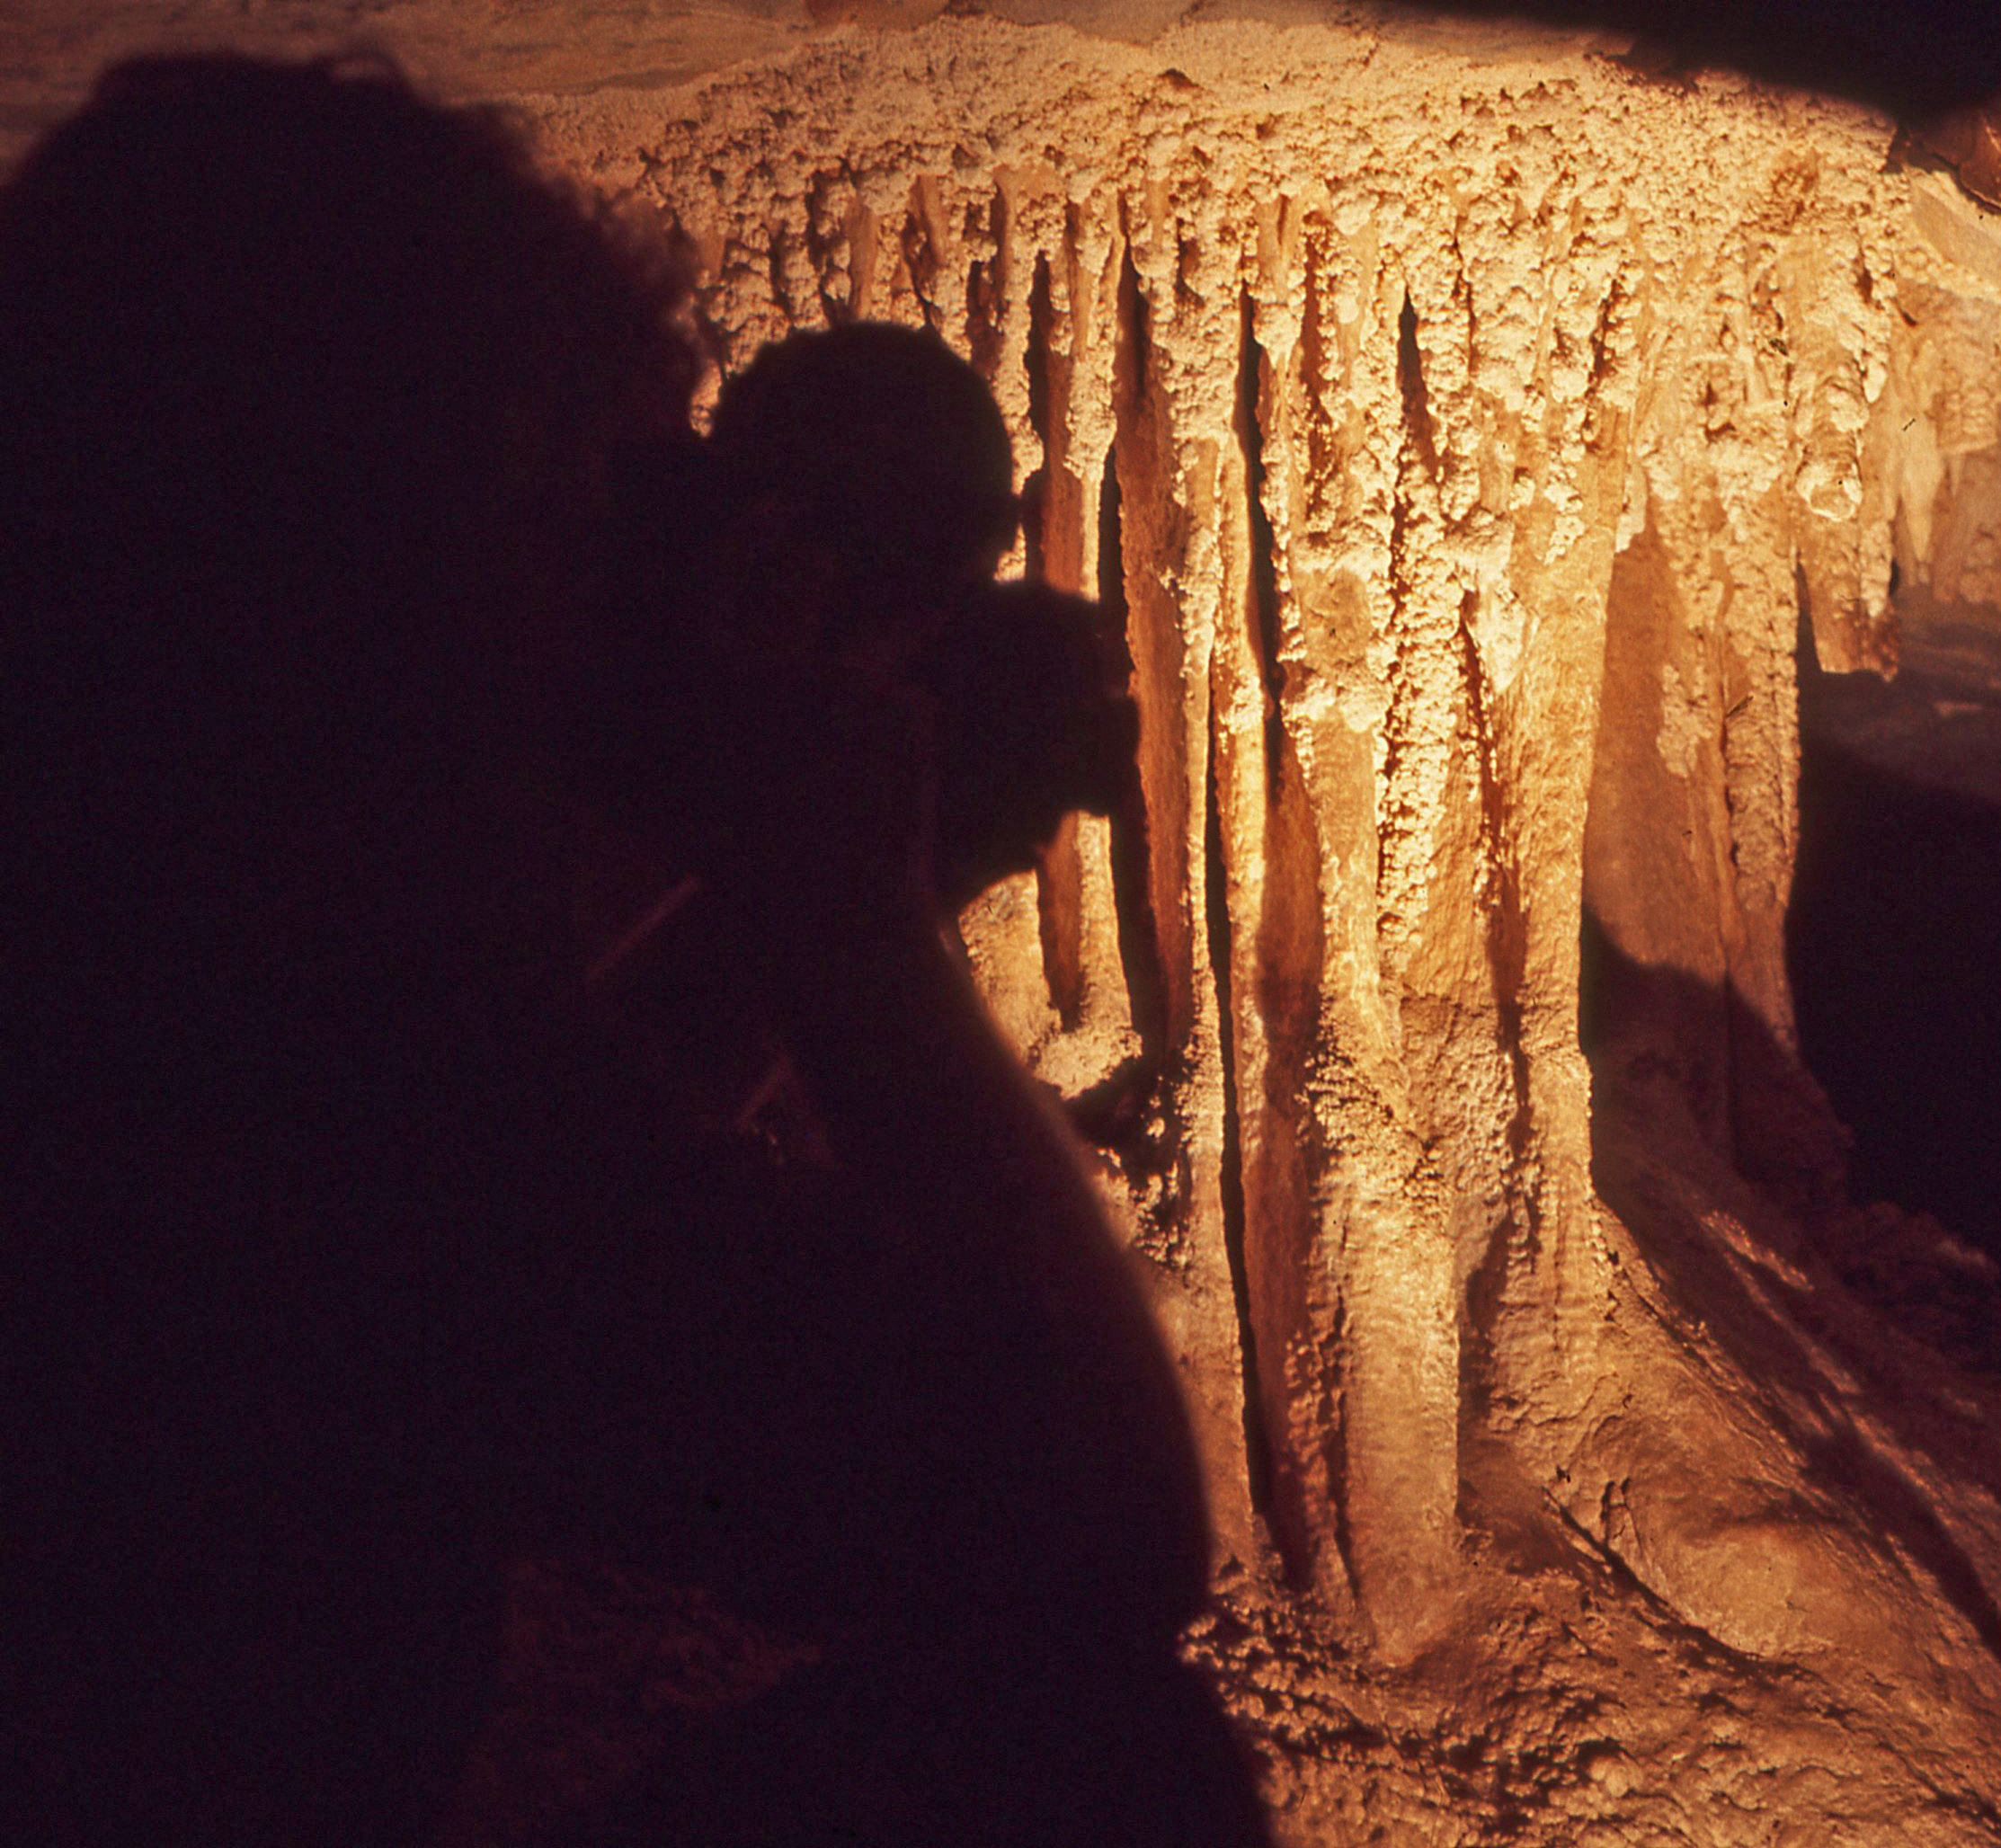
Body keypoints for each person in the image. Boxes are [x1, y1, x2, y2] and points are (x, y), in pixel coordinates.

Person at [0, 52, 1260, 1845]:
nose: (603, 585)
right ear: (361, 557)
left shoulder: (157, 918)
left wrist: (792, 891)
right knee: (1096, 1767)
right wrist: (846, 925)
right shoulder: (289, 1055)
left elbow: (528, 1220)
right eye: (566, 504)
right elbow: (1088, 1534)